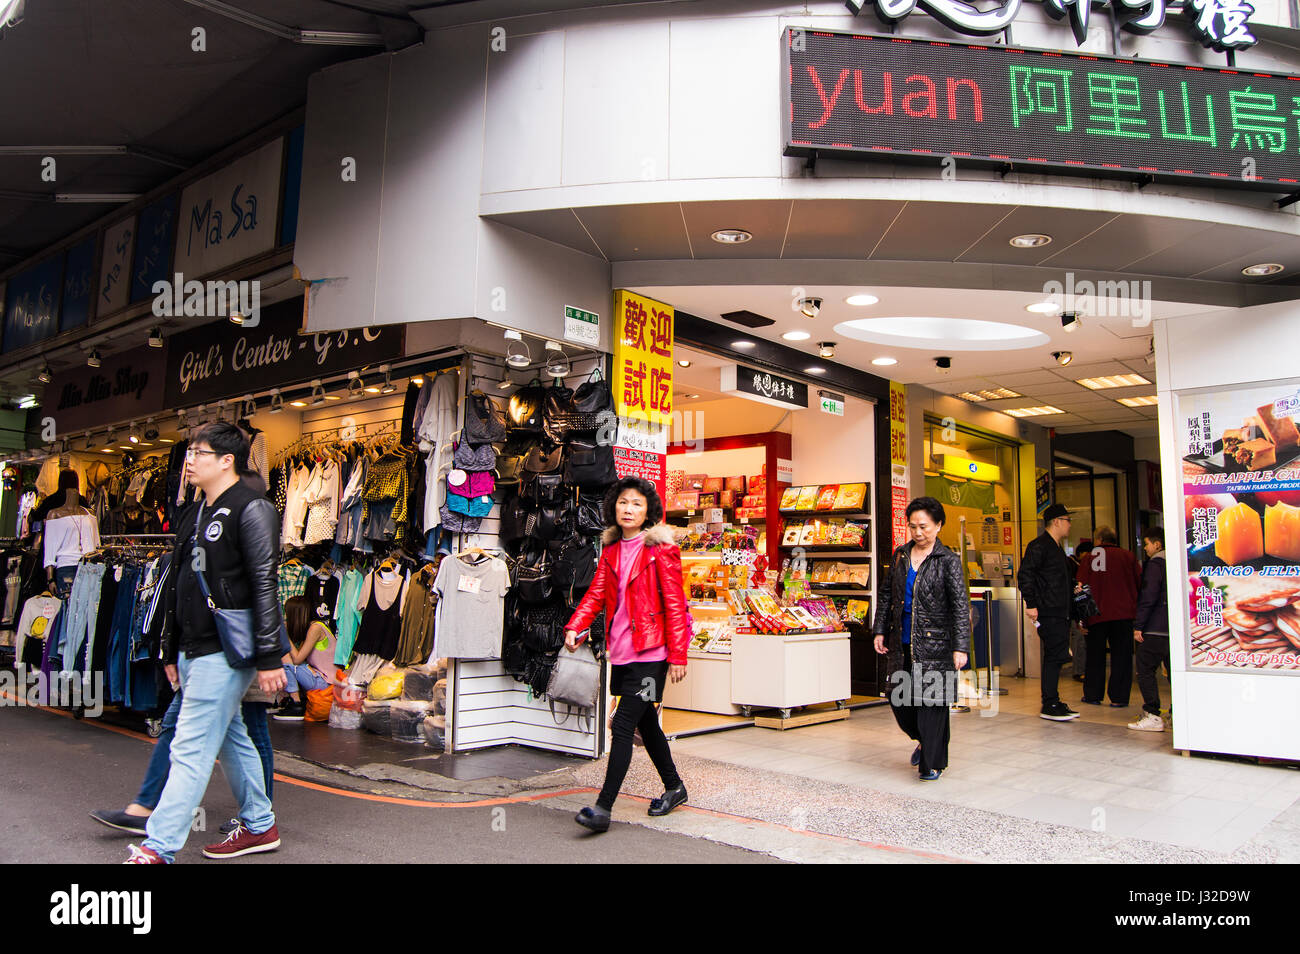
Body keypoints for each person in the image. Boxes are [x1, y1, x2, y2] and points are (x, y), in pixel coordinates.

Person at [124, 422, 287, 863]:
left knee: (190, 746)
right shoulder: (193, 513)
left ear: (226, 460)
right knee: (231, 735)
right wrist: (169, 645)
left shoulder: (252, 508)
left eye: (199, 452)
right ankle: (259, 822)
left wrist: (270, 655)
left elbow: (264, 585)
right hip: (191, 647)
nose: (189, 461)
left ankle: (158, 848)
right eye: (190, 452)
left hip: (227, 651)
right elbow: (178, 581)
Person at [563, 477, 690, 832]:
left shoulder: (661, 550)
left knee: (621, 725)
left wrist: (678, 654)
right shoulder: (613, 550)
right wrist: (576, 625)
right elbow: (596, 594)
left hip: (653, 656)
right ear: (613, 508)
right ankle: (674, 787)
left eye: (636, 503)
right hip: (622, 652)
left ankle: (603, 809)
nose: (628, 509)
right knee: (646, 724)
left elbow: (676, 604)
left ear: (648, 509)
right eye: (622, 502)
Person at [872, 496, 970, 780]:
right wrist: (880, 629)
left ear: (938, 525)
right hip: (900, 639)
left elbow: (960, 606)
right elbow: (887, 594)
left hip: (936, 643)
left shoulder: (948, 560)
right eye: (913, 526)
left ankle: (932, 763)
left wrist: (960, 647)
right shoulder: (901, 555)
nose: (918, 532)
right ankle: (926, 740)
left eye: (924, 526)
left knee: (932, 702)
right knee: (899, 699)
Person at [1019, 503, 1079, 721]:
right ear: (1056, 522)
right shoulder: (1039, 546)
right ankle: (1049, 702)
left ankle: (1053, 699)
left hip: (1061, 610)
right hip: (1048, 610)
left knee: (1058, 654)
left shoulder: (1057, 547)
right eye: (1067, 520)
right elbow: (1025, 575)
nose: (1069, 525)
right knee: (1054, 655)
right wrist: (1031, 603)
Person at [1074, 526, 1141, 707]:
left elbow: (1081, 588)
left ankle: (1093, 694)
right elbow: (1139, 583)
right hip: (1123, 615)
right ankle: (1119, 697)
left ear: (1098, 540)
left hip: (1096, 615)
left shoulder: (1090, 558)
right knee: (1122, 656)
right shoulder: (1128, 556)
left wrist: (1082, 618)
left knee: (1095, 656)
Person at [1130, 527, 1171, 732]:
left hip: (1155, 626)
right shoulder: (1177, 560)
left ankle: (1153, 714)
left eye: (1146, 543)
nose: (1144, 548)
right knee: (1172, 671)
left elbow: (1149, 595)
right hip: (1173, 628)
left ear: (1157, 544)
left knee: (1145, 668)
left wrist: (1139, 625)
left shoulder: (1156, 564)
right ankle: (1176, 711)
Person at [273, 594, 337, 722]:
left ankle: (296, 703)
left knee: (285, 654)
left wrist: (285, 636)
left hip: (325, 683)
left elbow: (296, 659)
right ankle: (294, 700)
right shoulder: (311, 628)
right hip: (321, 679)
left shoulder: (316, 629)